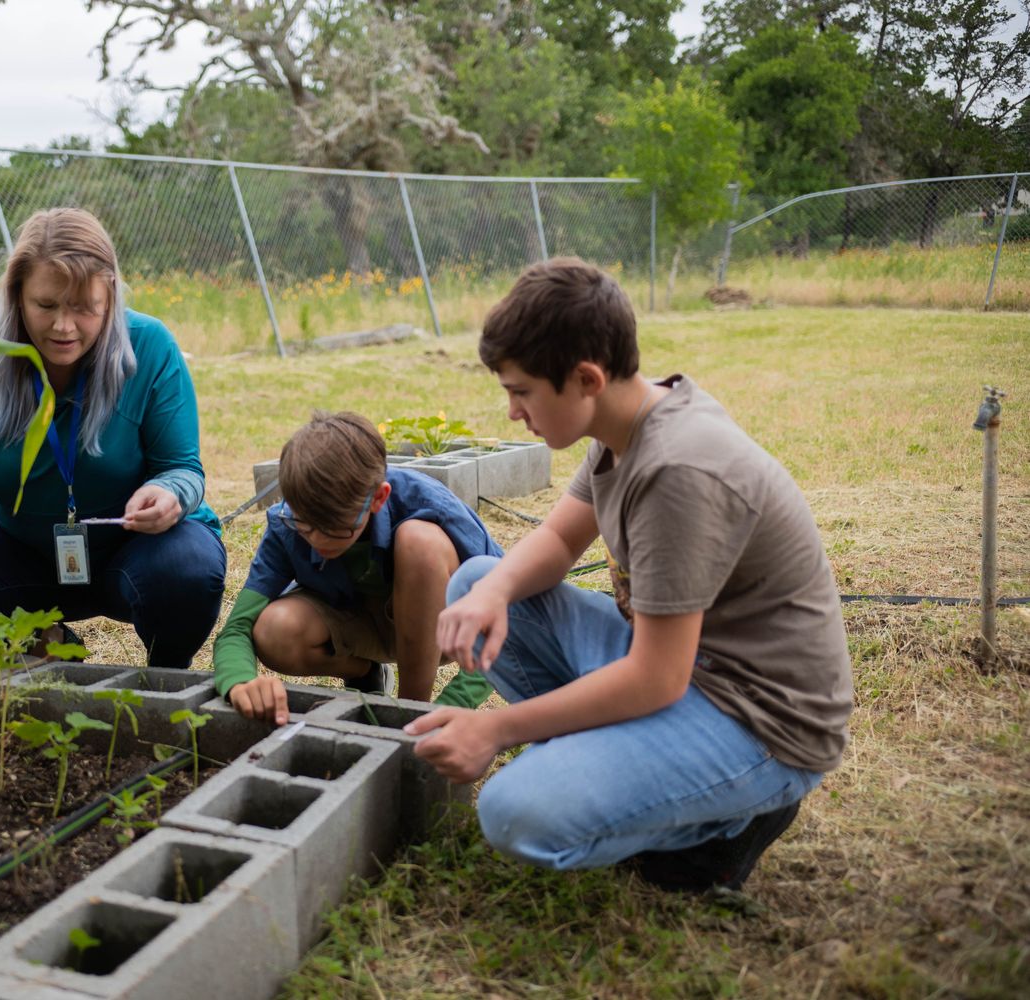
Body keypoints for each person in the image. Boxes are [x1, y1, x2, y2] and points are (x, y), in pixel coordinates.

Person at [406, 257, 852, 893]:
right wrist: (497, 593)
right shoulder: (624, 422)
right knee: (477, 582)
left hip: (759, 719)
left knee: (513, 814)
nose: (511, 412)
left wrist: (496, 729)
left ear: (586, 378)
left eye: (522, 391)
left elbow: (656, 677)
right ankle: (613, 767)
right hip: (689, 670)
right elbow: (560, 537)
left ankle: (726, 827)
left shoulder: (679, 472)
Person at [0, 207, 226, 667]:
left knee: (188, 571)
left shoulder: (150, 346)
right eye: (46, 305)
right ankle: (44, 639)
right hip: (25, 554)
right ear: (17, 296)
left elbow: (183, 468)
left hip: (139, 550)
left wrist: (169, 493)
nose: (65, 326)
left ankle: (167, 680)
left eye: (84, 307)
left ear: (111, 296)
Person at [213, 411, 501, 724]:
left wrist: (453, 706)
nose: (318, 539)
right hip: (361, 627)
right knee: (274, 629)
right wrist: (239, 681)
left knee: (420, 543)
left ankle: (411, 712)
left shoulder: (429, 503)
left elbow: (512, 614)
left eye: (336, 528)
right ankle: (366, 675)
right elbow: (238, 627)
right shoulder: (288, 522)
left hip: (438, 630)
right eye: (306, 526)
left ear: (378, 497)